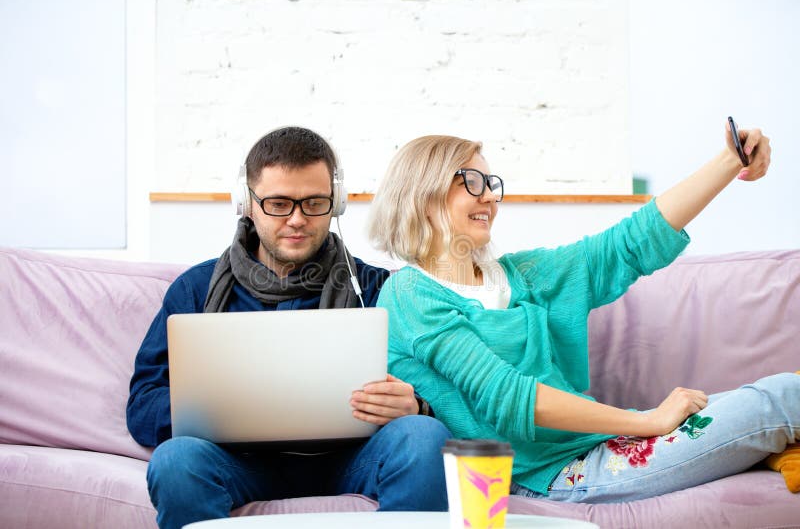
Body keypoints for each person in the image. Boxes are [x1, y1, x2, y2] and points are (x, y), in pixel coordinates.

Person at [367, 125, 800, 503]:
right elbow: (507, 397)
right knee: (782, 401)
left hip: (597, 447)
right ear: (423, 193)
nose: (489, 198)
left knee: (785, 391)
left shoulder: (525, 274)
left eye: (491, 183)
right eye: (472, 181)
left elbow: (630, 242)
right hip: (544, 477)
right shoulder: (409, 294)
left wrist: (729, 162)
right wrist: (646, 420)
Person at [127, 126, 451, 529]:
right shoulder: (196, 289)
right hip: (238, 462)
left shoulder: (375, 288)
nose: (297, 220)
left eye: (314, 203)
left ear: (338, 203)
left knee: (424, 436)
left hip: (353, 457)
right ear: (246, 203)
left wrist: (413, 405)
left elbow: (437, 396)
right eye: (278, 203)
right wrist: (213, 407)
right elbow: (142, 405)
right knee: (176, 460)